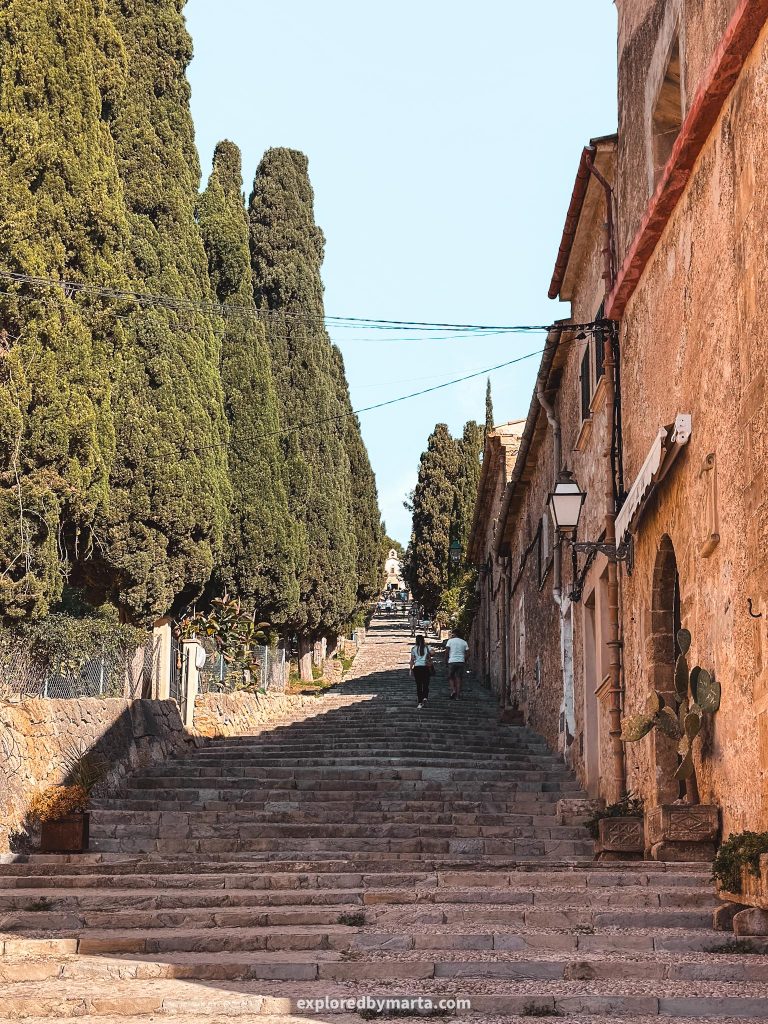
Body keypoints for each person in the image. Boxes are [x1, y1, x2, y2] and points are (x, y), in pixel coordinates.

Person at [409, 633, 433, 709]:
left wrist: (410, 669)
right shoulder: (427, 647)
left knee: (419, 685)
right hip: (425, 667)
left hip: (417, 668)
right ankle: (425, 698)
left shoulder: (413, 648)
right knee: (426, 684)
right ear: (423, 640)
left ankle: (420, 702)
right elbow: (433, 653)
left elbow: (412, 660)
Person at [445, 629, 469, 700]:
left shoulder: (450, 641)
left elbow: (447, 652)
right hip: (461, 662)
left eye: (453, 634)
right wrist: (464, 659)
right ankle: (458, 697)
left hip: (452, 661)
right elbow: (468, 653)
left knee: (450, 677)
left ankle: (453, 690)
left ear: (455, 634)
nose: (452, 635)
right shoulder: (464, 642)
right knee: (459, 679)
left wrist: (445, 660)